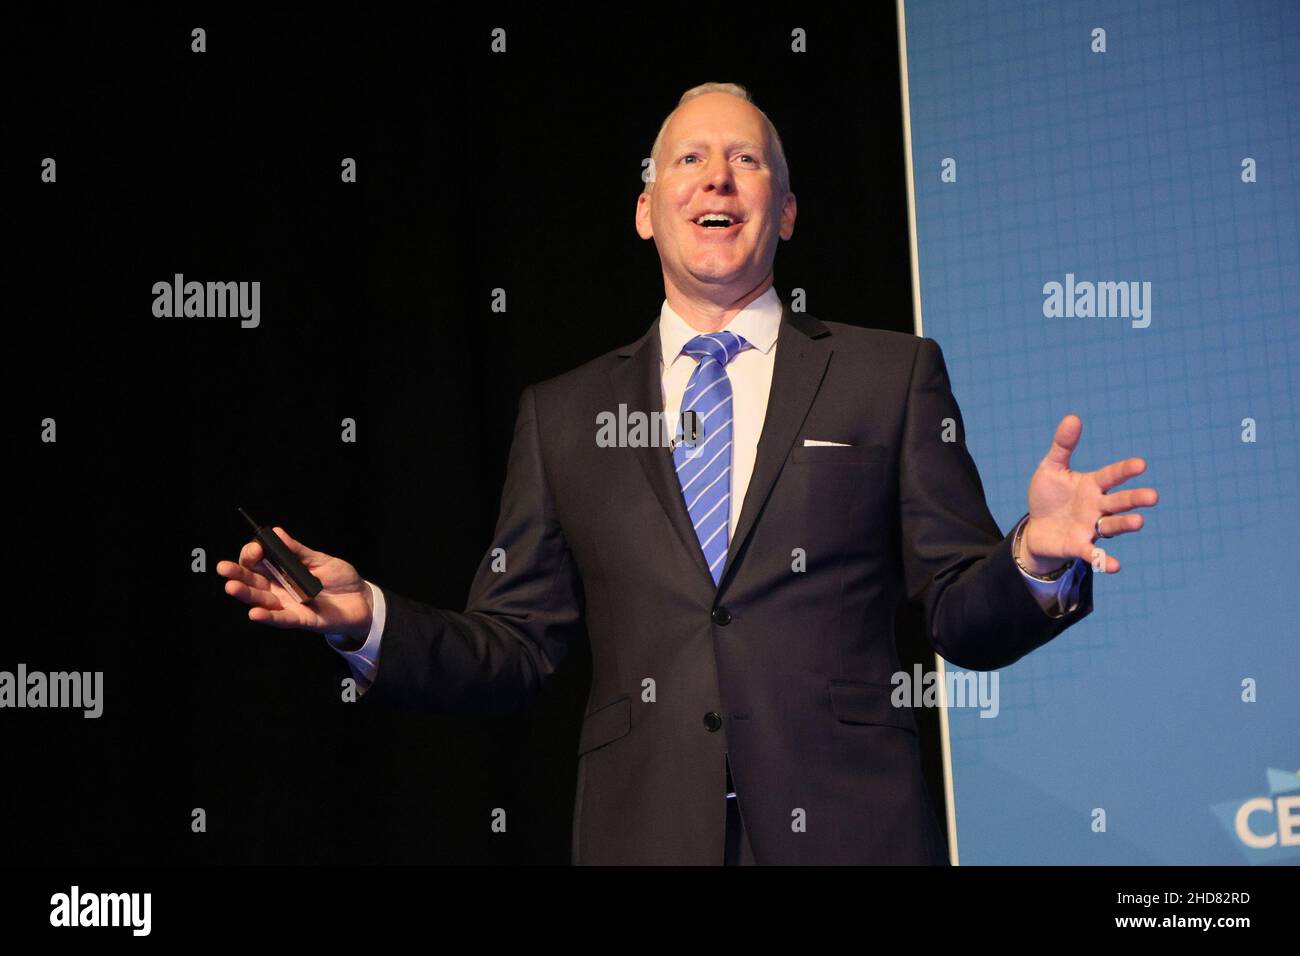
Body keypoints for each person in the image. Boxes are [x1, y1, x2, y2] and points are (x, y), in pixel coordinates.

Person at [217, 82, 1158, 865]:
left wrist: (1033, 554)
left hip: (850, 833)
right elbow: (510, 649)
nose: (718, 176)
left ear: (786, 209)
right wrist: (367, 616)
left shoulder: (891, 375)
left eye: (748, 160)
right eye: (689, 158)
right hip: (644, 835)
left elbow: (959, 613)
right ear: (645, 209)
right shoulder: (563, 415)